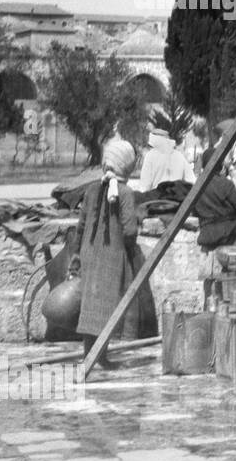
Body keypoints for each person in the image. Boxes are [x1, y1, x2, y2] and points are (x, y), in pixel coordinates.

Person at [64, 139, 157, 368]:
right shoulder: (124, 193)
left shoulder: (92, 190)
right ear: (126, 165)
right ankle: (101, 357)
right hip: (113, 257)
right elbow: (129, 230)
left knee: (90, 308)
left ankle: (92, 355)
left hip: (89, 254)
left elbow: (81, 226)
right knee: (109, 308)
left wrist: (76, 255)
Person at [194, 142, 236, 306]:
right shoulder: (225, 184)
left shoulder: (198, 185)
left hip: (208, 239)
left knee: (209, 284)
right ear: (219, 165)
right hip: (227, 239)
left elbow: (195, 210)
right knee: (229, 283)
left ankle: (208, 310)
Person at [138, 121, 194, 191]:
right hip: (177, 199)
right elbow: (191, 181)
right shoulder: (179, 156)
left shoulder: (150, 156)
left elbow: (145, 186)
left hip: (157, 199)